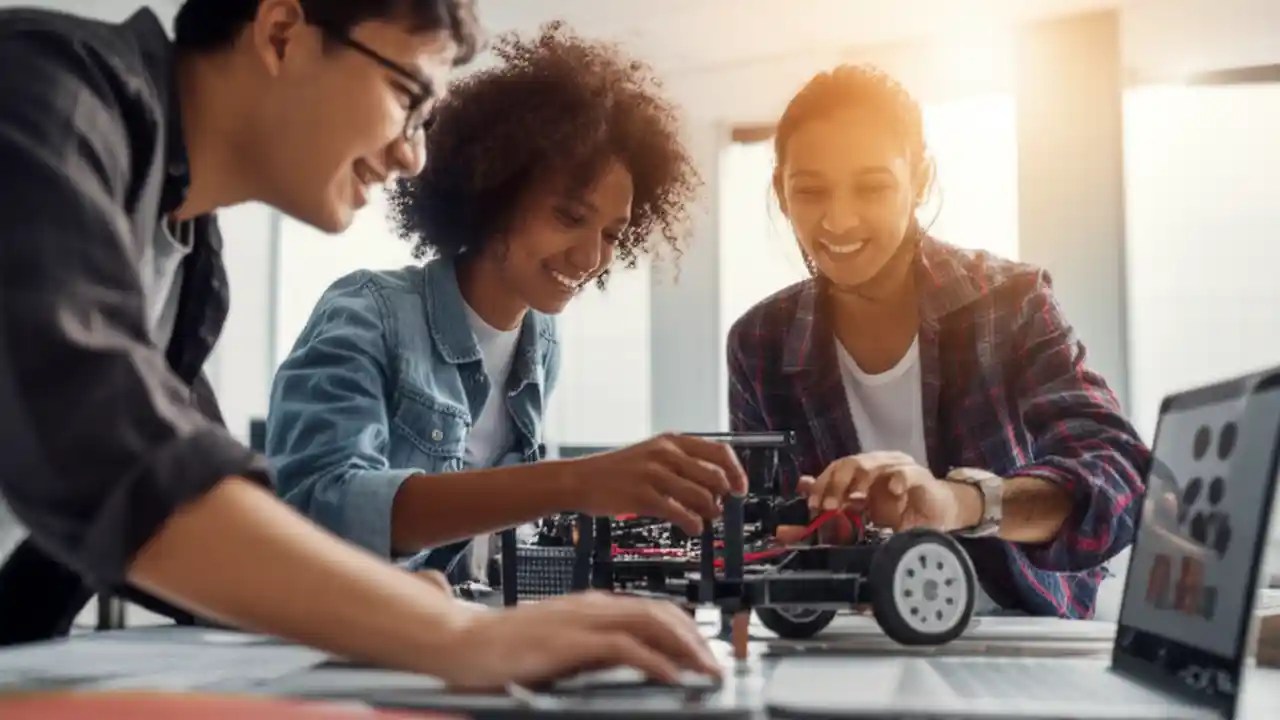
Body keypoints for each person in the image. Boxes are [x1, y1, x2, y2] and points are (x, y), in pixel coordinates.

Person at [0, 0, 722, 689]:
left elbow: (220, 517)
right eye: (409, 96)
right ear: (282, 31)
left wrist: (394, 605)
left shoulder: (187, 259)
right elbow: (118, 462)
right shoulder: (44, 93)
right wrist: (451, 635)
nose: (413, 154)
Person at [266, 22, 743, 586]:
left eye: (613, 234)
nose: (591, 256)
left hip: (440, 635)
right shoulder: (370, 311)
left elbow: (480, 545)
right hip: (328, 641)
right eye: (569, 217)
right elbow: (321, 508)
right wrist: (573, 481)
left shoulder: (540, 341)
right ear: (493, 197)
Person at [727, 64, 1150, 618]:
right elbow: (763, 535)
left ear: (920, 179)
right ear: (781, 193)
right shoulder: (760, 342)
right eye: (809, 191)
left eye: (873, 186)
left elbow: (1120, 478)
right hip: (851, 646)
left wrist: (958, 503)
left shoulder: (1011, 301)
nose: (839, 219)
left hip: (1018, 638)